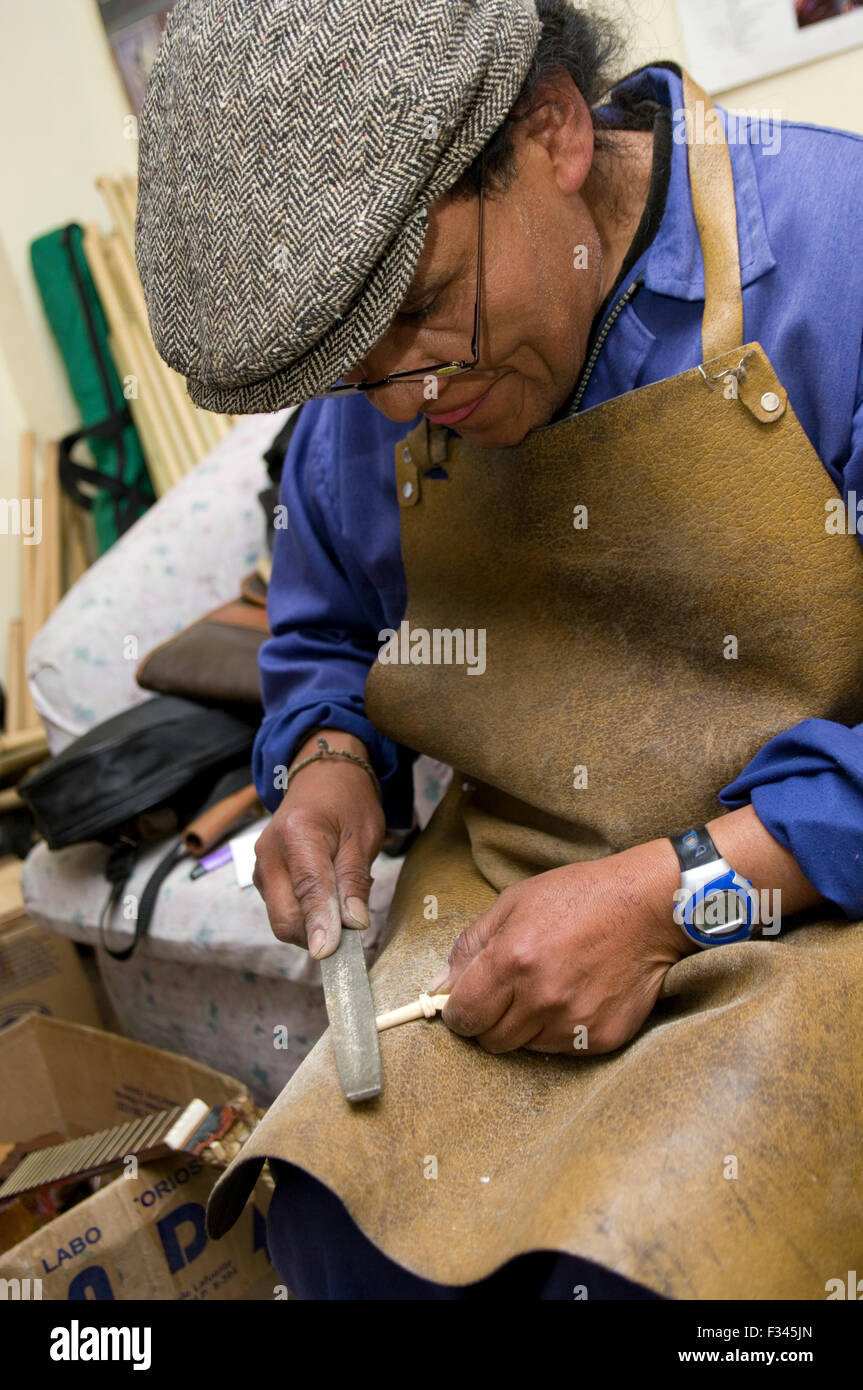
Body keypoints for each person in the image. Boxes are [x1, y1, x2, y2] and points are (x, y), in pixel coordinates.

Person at [136, 0, 863, 1299]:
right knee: (327, 1223)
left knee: (643, 1272)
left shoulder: (841, 260)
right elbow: (317, 623)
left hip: (795, 891)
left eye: (432, 311)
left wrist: (675, 895)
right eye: (356, 370)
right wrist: (325, 759)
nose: (413, 398)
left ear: (553, 131)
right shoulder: (380, 384)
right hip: (512, 894)